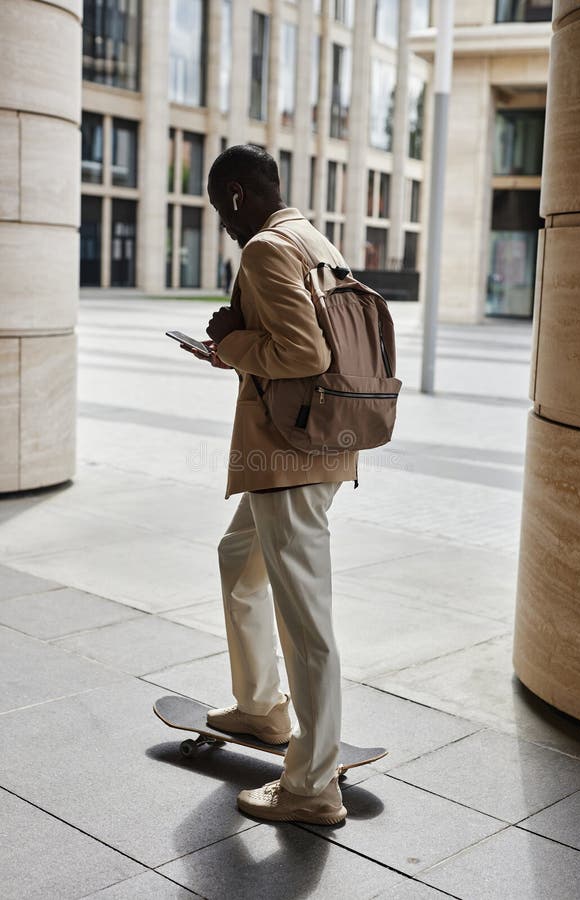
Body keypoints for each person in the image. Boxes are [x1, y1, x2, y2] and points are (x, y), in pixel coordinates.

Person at [181, 144, 358, 826]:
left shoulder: (263, 248)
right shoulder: (311, 238)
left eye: (219, 208)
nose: (223, 224)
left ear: (236, 194)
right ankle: (260, 707)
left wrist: (232, 340)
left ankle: (312, 785)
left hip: (289, 456)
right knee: (238, 559)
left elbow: (306, 353)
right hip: (311, 446)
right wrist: (235, 349)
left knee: (305, 621)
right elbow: (301, 346)